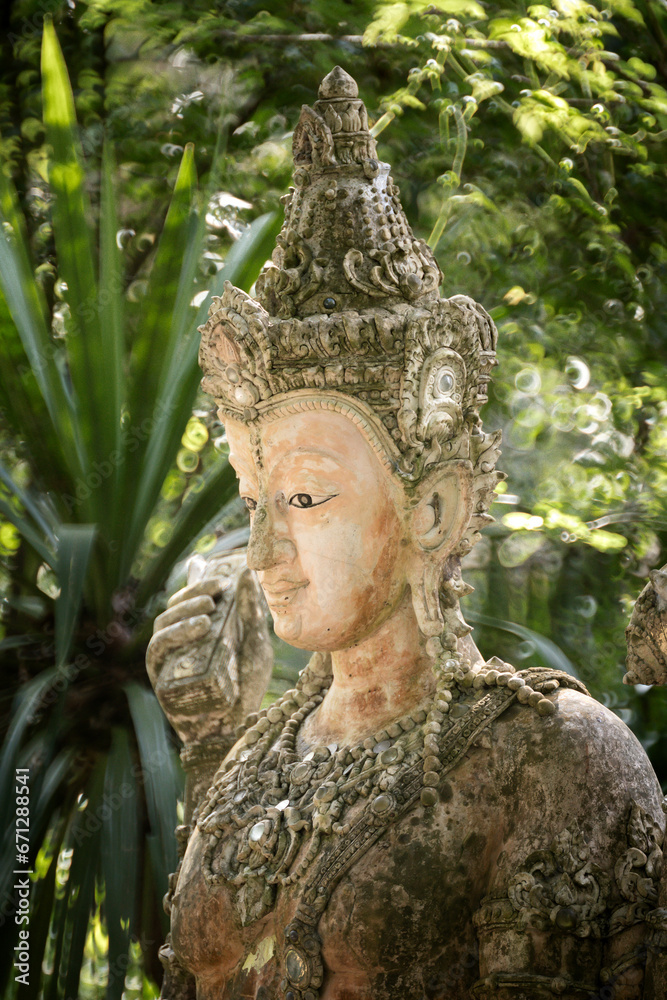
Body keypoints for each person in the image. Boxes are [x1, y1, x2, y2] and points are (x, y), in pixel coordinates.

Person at [147, 67, 666, 1000]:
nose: (262, 552)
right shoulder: (251, 765)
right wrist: (206, 744)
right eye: (252, 499)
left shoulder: (546, 757)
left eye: (305, 499)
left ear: (434, 509)